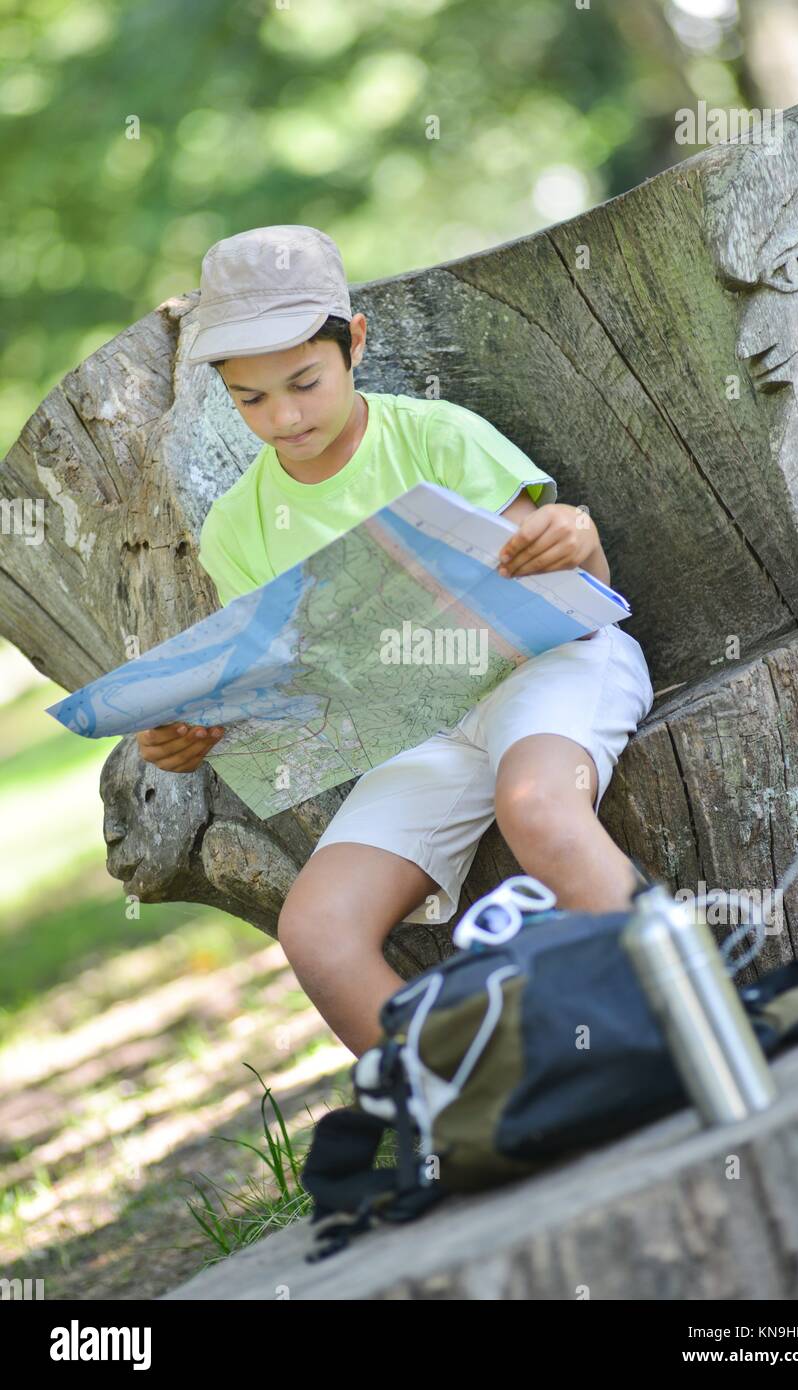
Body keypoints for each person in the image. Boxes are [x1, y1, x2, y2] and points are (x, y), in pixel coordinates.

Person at [136, 225, 655, 1057]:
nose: (284, 417)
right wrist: (202, 731)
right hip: (413, 730)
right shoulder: (237, 525)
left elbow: (558, 584)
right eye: (251, 398)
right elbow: (278, 685)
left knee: (538, 808)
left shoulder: (435, 437)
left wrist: (575, 539)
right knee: (316, 928)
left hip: (542, 671)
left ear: (357, 344)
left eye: (303, 382)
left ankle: (687, 1018)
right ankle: (472, 1109)